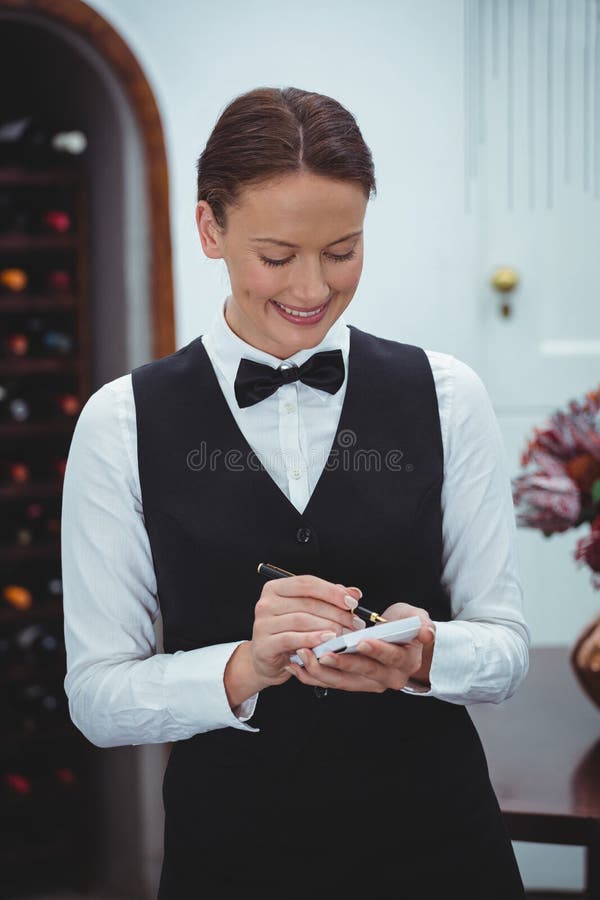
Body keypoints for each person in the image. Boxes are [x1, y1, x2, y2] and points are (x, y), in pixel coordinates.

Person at [61, 85, 531, 899]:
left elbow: (506, 649)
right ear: (209, 228)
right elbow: (98, 698)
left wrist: (425, 657)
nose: (312, 289)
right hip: (234, 858)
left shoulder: (448, 394)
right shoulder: (120, 422)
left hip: (440, 847)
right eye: (276, 257)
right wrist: (244, 667)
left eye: (343, 250)